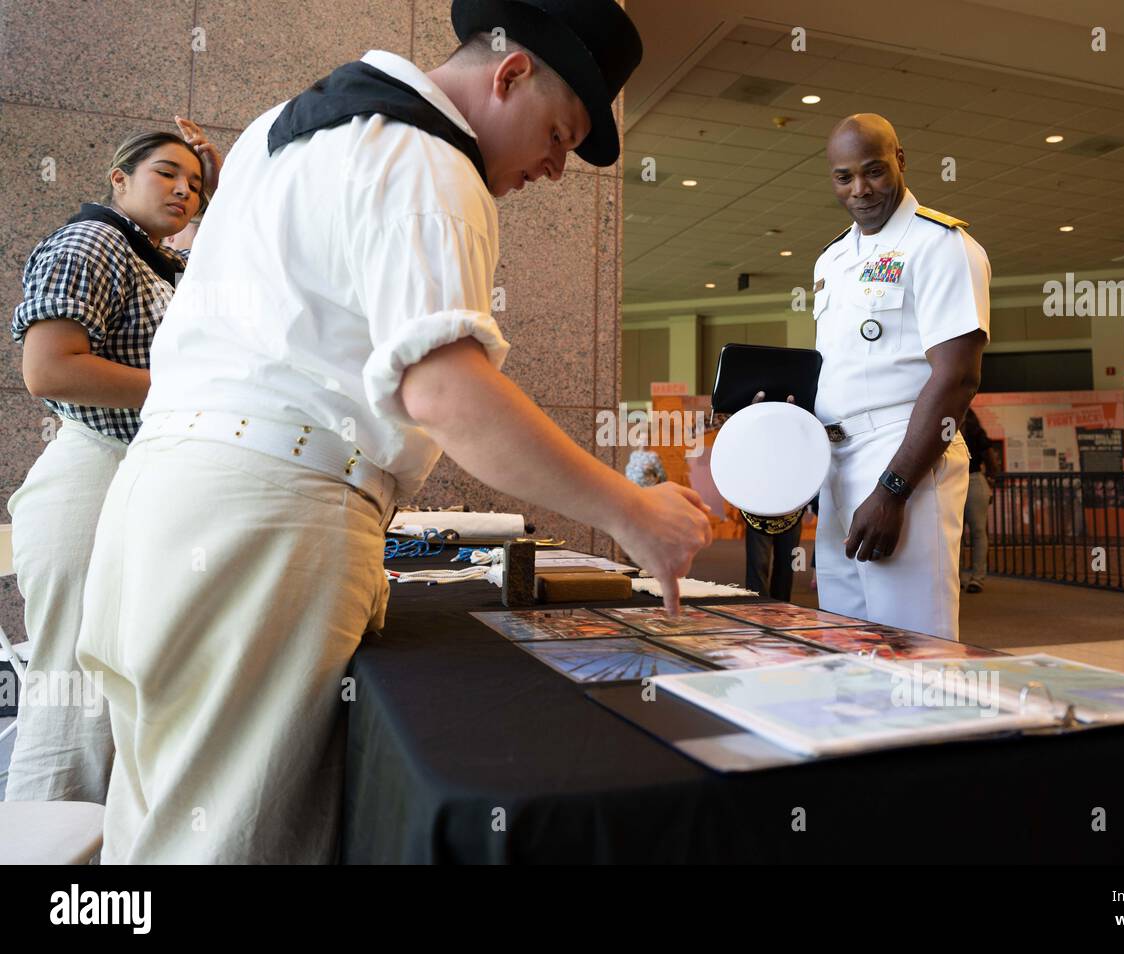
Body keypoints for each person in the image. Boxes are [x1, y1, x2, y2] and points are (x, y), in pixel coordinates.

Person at [74, 0, 710, 864]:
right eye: (560, 134)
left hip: (163, 501)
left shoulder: (282, 130)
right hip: (266, 515)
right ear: (511, 73)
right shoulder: (429, 159)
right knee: (223, 844)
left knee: (154, 828)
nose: (558, 168)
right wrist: (633, 511)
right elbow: (448, 393)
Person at [4, 120, 218, 804]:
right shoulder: (95, 239)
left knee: (109, 689)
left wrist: (225, 179)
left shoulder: (155, 259)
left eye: (195, 183)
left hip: (133, 478)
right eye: (166, 173)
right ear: (119, 179)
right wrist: (194, 392)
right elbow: (48, 370)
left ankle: (93, 869)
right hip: (93, 476)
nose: (184, 190)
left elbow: (224, 259)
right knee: (72, 699)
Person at [810, 114, 990, 640]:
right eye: (844, 177)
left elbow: (957, 377)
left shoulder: (941, 244)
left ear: (900, 161)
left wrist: (893, 490)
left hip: (902, 453)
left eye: (874, 171)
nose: (860, 190)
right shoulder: (833, 258)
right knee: (845, 641)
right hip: (835, 462)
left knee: (912, 645)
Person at [959, 408, 996, 594]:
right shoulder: (952, 428)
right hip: (957, 480)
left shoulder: (974, 432)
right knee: (956, 533)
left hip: (973, 478)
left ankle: (977, 578)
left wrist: (991, 477)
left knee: (978, 531)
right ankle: (956, 577)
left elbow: (990, 457)